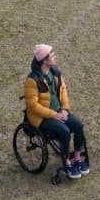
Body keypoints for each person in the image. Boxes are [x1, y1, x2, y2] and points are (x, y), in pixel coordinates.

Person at [23, 44, 90, 179]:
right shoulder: (32, 80)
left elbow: (63, 90)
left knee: (78, 126)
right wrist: (55, 115)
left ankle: (76, 159)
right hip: (42, 117)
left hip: (59, 111)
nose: (55, 56)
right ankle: (66, 163)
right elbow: (33, 106)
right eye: (52, 54)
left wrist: (64, 109)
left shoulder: (55, 72)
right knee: (64, 132)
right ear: (44, 60)